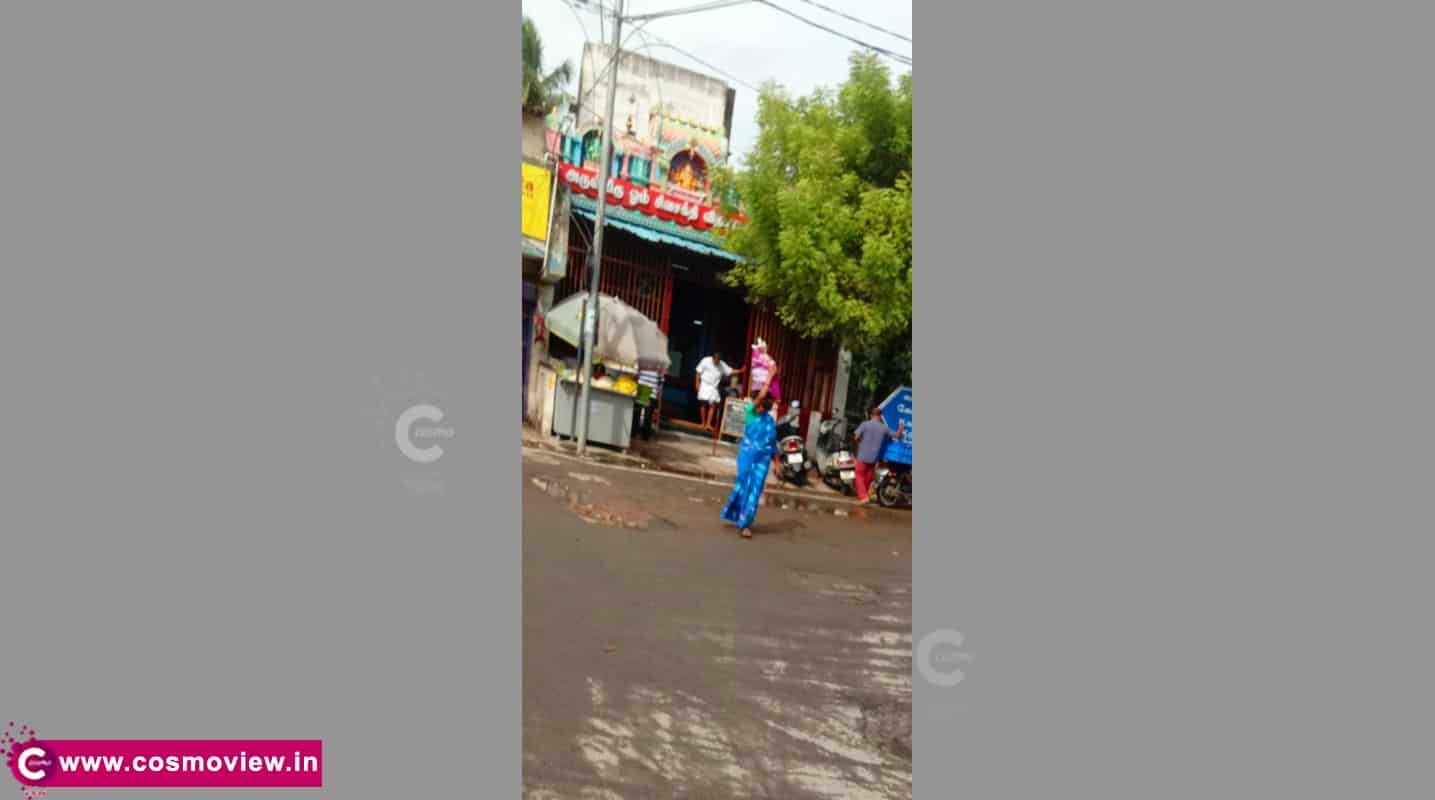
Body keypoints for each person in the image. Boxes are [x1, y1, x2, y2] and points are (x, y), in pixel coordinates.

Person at [721, 389, 779, 538]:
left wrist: (777, 464)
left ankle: (745, 524)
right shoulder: (750, 412)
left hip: (763, 460)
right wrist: (770, 376)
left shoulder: (770, 420)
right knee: (743, 486)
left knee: (755, 490)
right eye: (762, 402)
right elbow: (760, 398)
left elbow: (773, 443)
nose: (764, 405)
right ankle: (735, 512)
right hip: (747, 456)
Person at [853, 406, 905, 505]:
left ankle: (863, 497)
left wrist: (860, 444)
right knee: (868, 477)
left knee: (859, 475)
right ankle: (864, 496)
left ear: (871, 415)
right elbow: (897, 435)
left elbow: (856, 437)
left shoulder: (865, 424)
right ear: (880, 416)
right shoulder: (883, 428)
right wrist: (901, 429)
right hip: (874, 457)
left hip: (863, 455)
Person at [695, 350, 742, 430]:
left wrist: (741, 370)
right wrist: (697, 382)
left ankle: (708, 424)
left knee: (713, 405)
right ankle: (703, 422)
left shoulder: (722, 364)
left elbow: (730, 371)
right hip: (704, 384)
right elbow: (698, 371)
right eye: (715, 359)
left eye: (718, 360)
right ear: (713, 358)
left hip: (714, 387)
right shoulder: (705, 360)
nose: (717, 361)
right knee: (703, 403)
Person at [749, 339, 780, 403]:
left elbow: (775, 370)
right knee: (756, 406)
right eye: (762, 346)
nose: (763, 348)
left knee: (762, 406)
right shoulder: (756, 357)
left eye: (765, 346)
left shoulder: (768, 358)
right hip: (758, 387)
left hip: (765, 387)